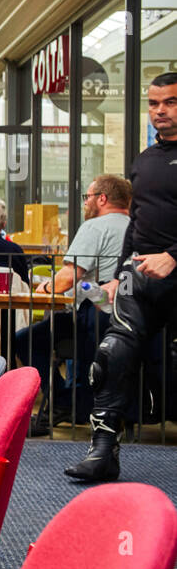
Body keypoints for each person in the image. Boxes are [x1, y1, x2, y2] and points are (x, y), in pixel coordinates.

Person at [67, 73, 177, 481]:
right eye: (153, 103)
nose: (160, 110)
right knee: (110, 354)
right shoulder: (145, 161)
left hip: (173, 271)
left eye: (169, 102)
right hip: (139, 274)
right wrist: (114, 275)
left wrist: (173, 257)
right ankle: (102, 453)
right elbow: (138, 223)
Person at [15, 175, 132, 435]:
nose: (86, 203)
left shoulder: (95, 227)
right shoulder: (139, 228)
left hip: (96, 316)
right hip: (129, 320)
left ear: (102, 198)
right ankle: (72, 402)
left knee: (27, 339)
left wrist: (44, 287)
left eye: (88, 197)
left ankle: (62, 402)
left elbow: (68, 278)